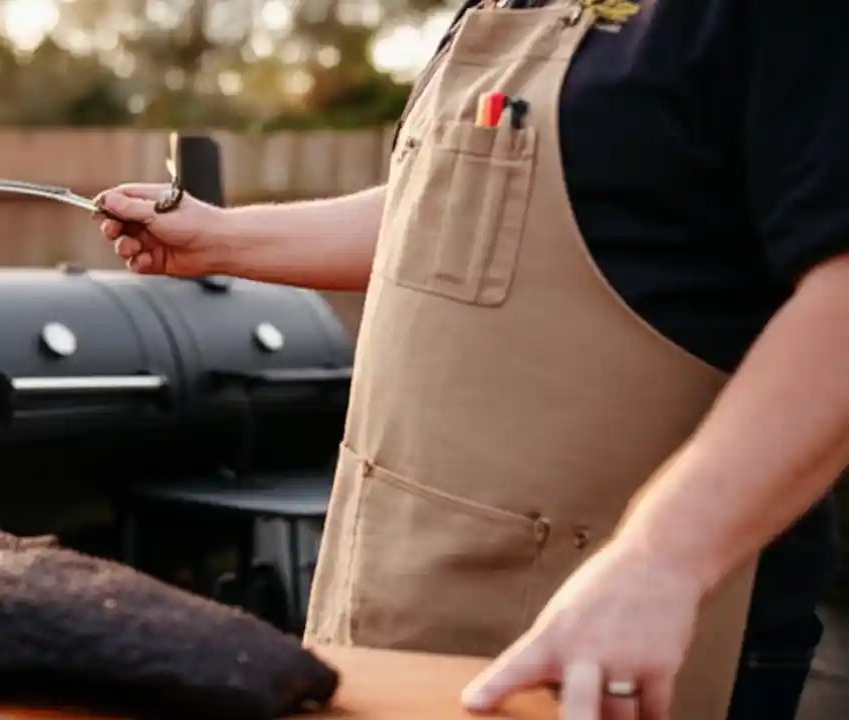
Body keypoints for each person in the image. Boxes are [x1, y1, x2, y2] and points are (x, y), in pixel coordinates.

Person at [93, 1, 848, 718]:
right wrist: (223, 239)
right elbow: (444, 207)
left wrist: (663, 560)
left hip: (617, 647)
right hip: (400, 615)